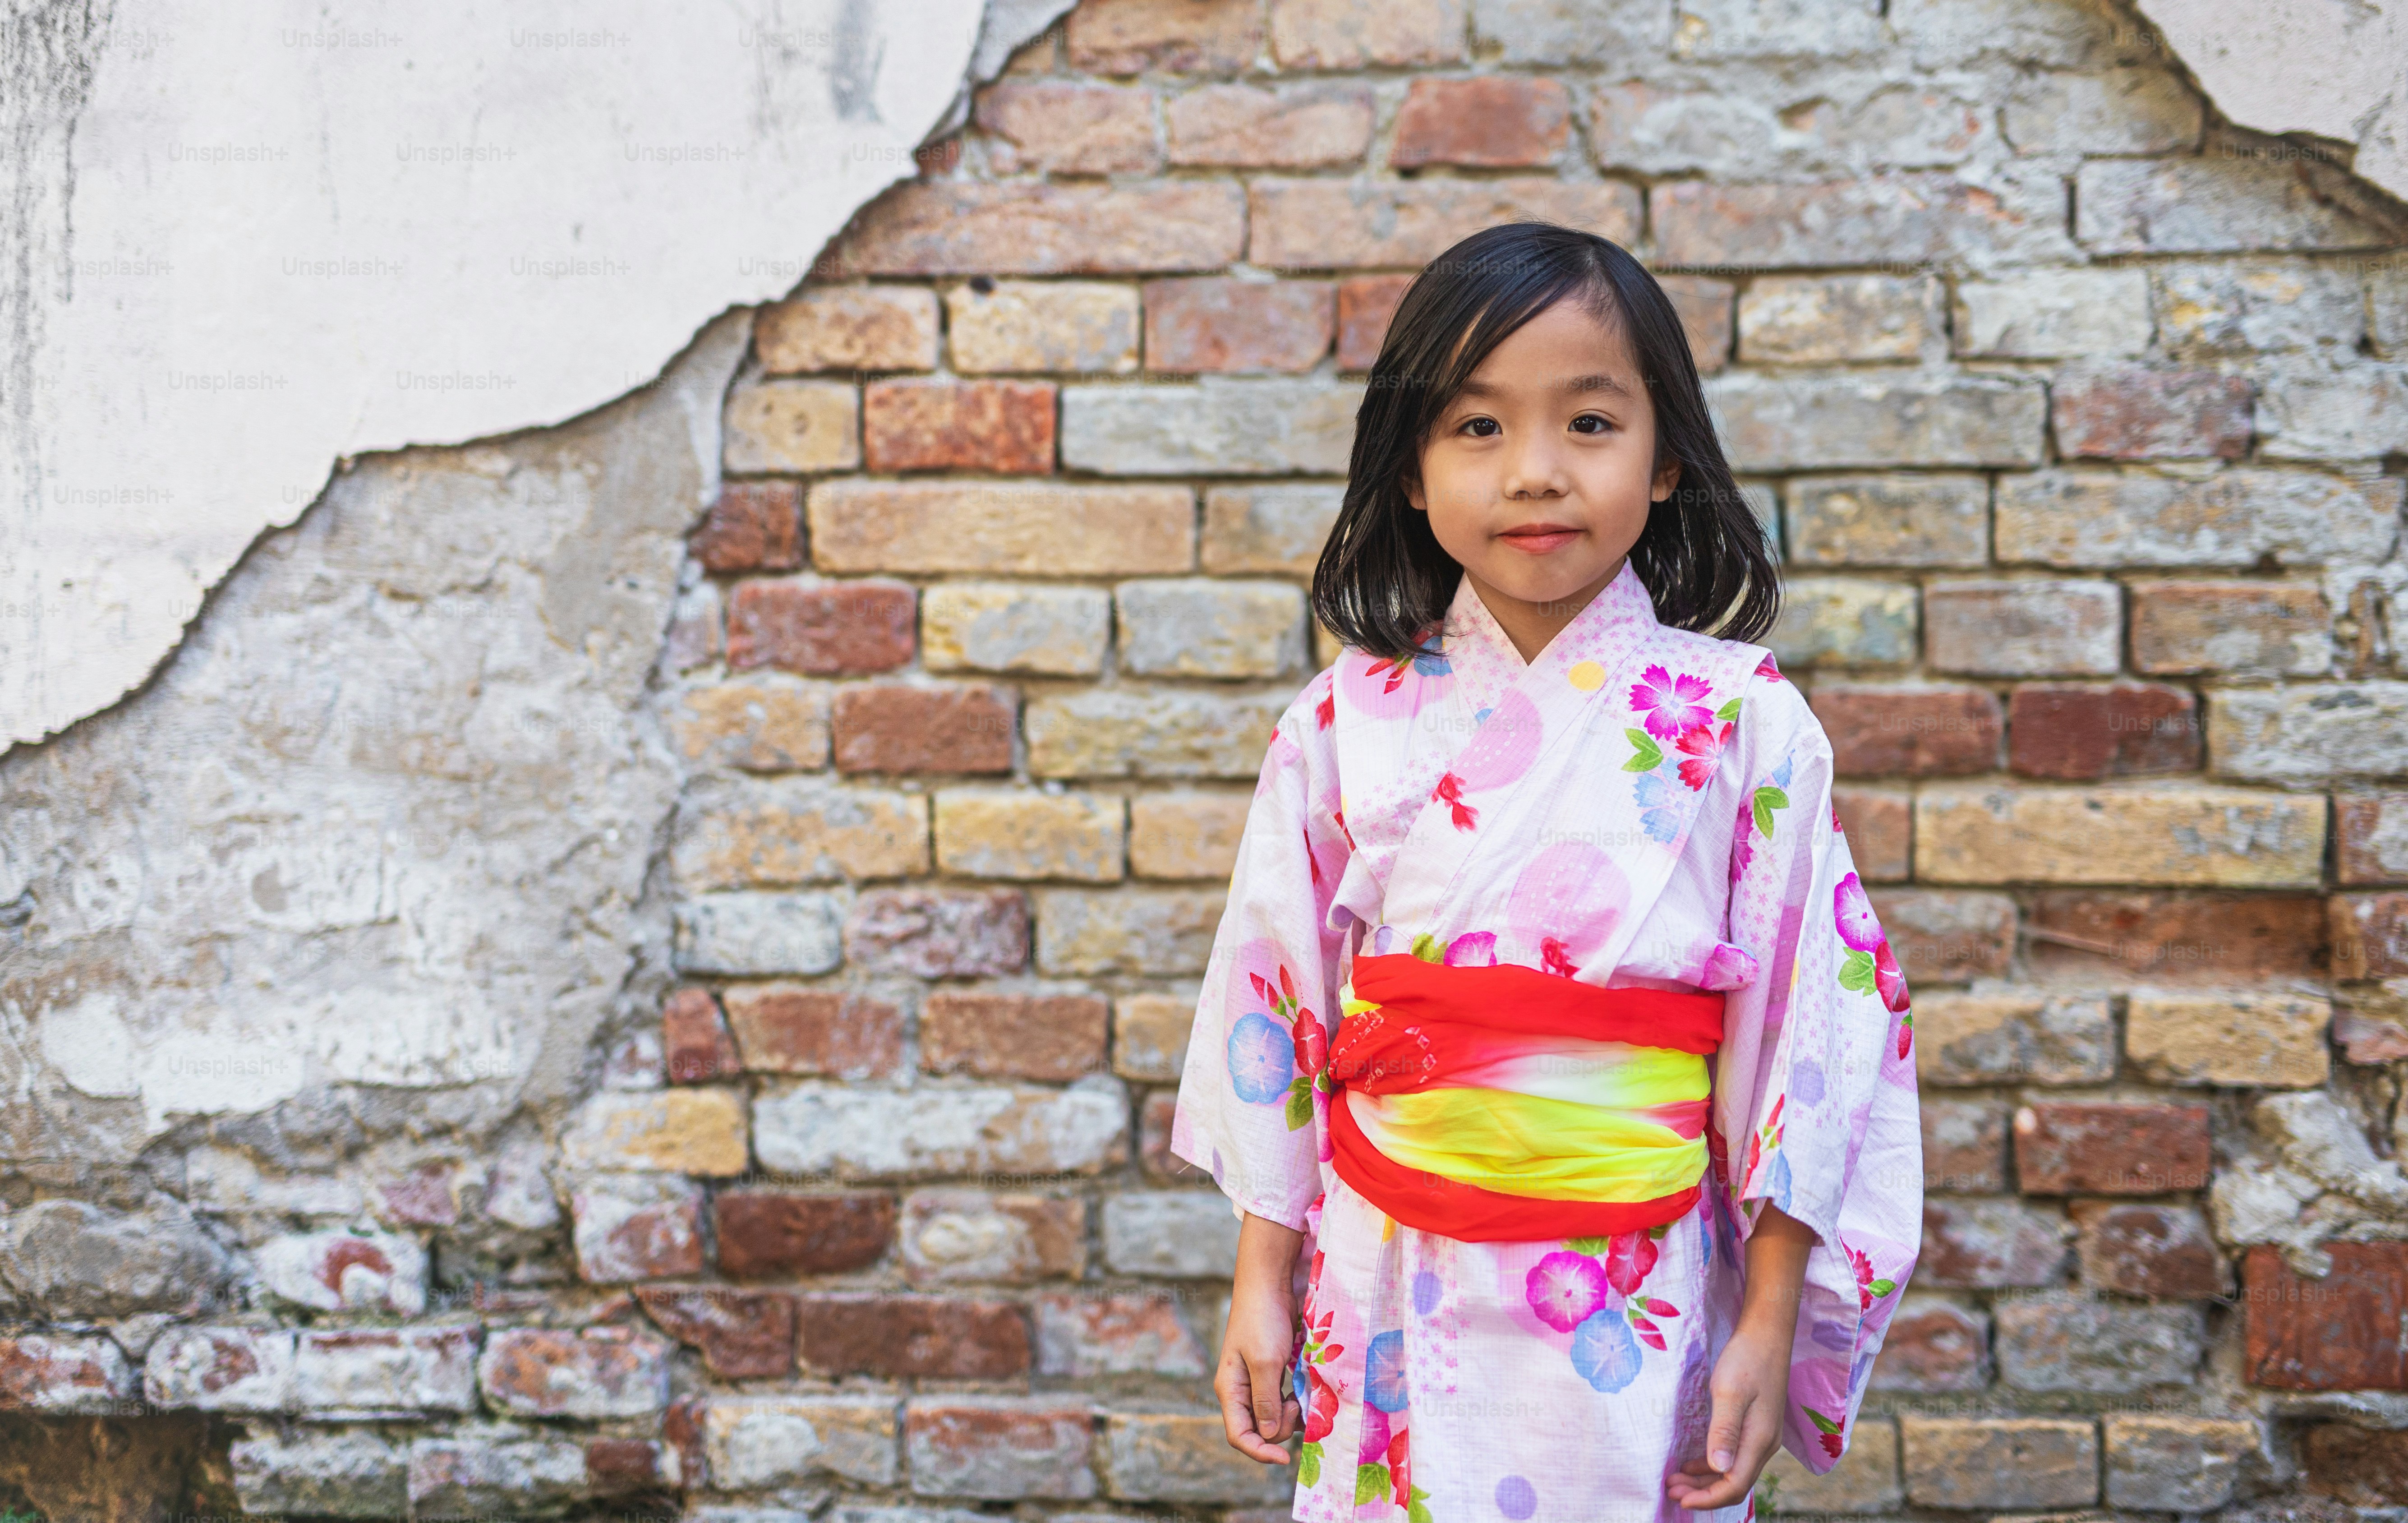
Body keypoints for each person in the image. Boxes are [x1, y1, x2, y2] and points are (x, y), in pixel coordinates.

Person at [1169, 221, 1923, 1522]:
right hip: (1387, 1263)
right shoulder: (1344, 721)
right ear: (1406, 470)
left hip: (1637, 1273)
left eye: (1587, 424)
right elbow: (1276, 998)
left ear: (1666, 457)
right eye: (1475, 428)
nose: (1533, 473)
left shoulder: (1741, 719)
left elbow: (1818, 1022)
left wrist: (1769, 1309)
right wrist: (1258, 1277)